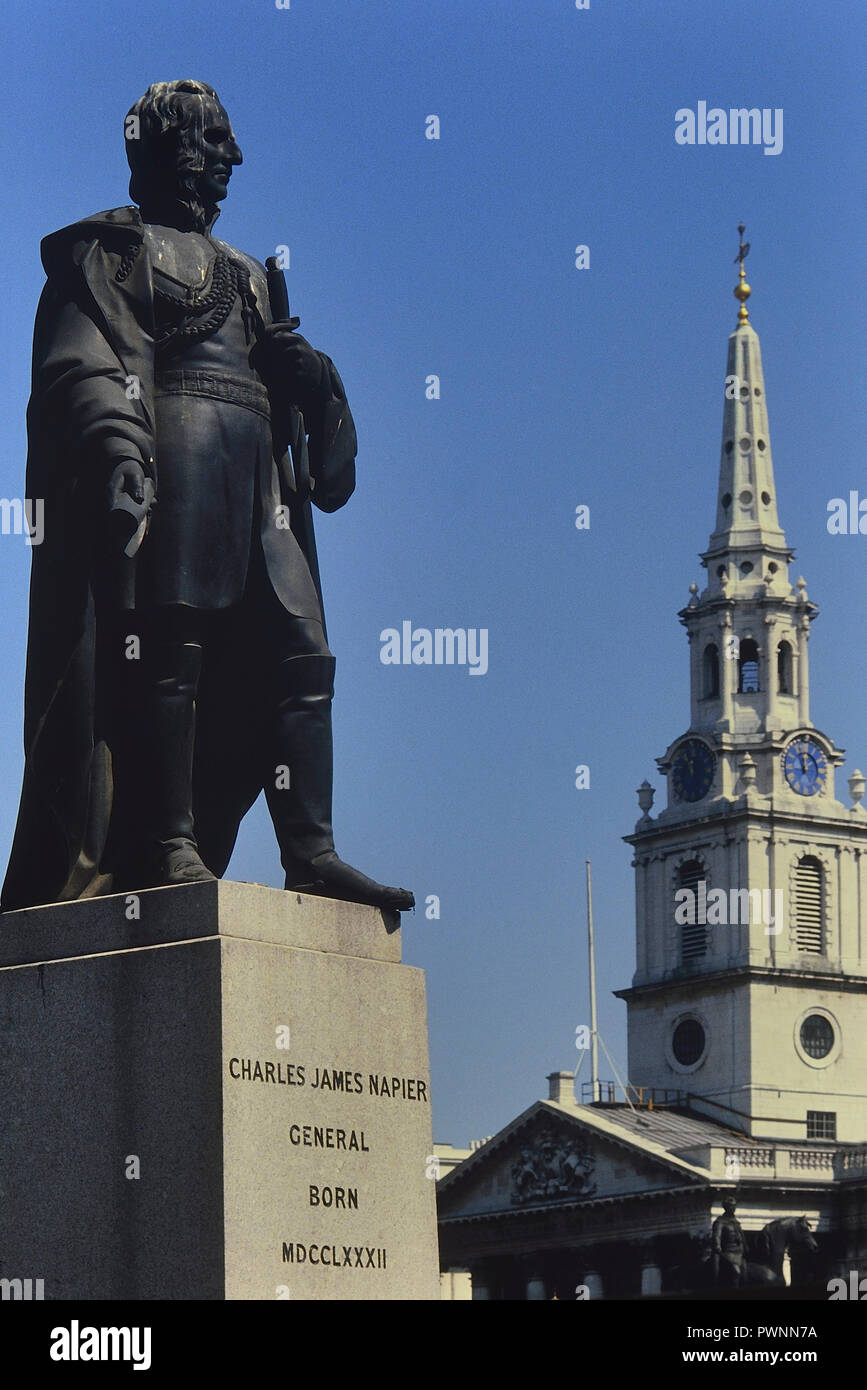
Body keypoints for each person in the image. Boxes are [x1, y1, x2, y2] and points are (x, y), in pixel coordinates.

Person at [1, 80, 413, 914]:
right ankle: (168, 840)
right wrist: (119, 445)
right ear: (170, 148)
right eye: (215, 140)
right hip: (178, 455)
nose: (232, 158)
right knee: (171, 643)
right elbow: (80, 366)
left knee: (301, 653)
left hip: (260, 481)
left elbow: (312, 431)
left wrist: (318, 381)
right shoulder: (112, 254)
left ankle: (312, 849)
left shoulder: (251, 276)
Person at [710, 1196, 745, 1287]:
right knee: (736, 1272)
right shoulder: (720, 1222)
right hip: (728, 1254)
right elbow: (717, 1237)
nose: (733, 1208)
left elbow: (742, 1238)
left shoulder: (736, 1222)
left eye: (734, 1206)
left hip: (740, 1254)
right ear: (726, 1207)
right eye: (731, 1206)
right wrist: (718, 1248)